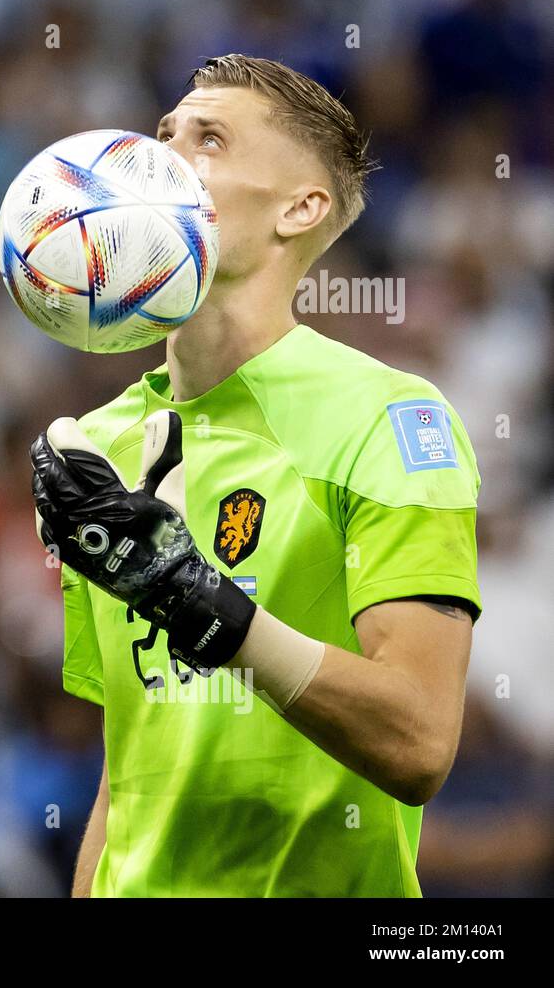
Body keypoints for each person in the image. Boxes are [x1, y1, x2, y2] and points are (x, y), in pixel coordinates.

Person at [30, 55, 480, 898]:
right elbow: (128, 765)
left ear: (300, 207)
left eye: (208, 139)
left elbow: (419, 744)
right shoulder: (99, 444)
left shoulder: (390, 419)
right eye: (163, 134)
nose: (161, 158)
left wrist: (201, 605)